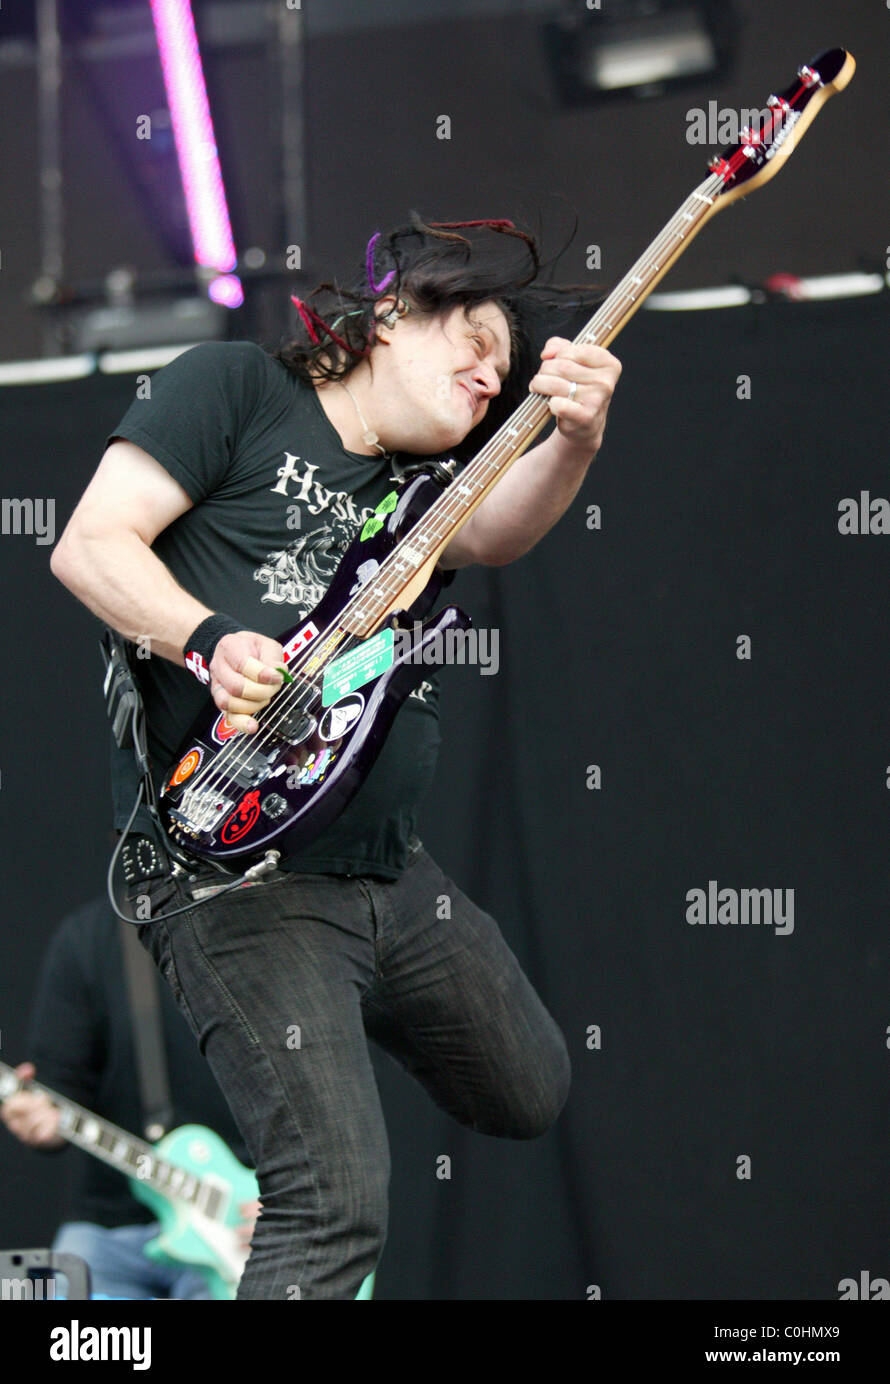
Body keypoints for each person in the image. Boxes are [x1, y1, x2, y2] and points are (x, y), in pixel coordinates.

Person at [49, 215, 622, 1299]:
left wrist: (575, 438)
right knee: (332, 1199)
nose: (485, 374)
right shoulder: (232, 389)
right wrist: (206, 640)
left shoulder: (426, 489)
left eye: (502, 372)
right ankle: (289, 999)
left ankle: (325, 997)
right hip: (233, 876)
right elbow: (89, 544)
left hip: (387, 872)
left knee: (530, 1083)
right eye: (472, 340)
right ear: (390, 314)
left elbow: (497, 529)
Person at [0, 895, 259, 1299]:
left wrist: (295, 1207)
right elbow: (57, 1094)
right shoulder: (87, 938)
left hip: (247, 1224)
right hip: (109, 1228)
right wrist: (36, 1121)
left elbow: (332, 1095)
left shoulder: (269, 932)